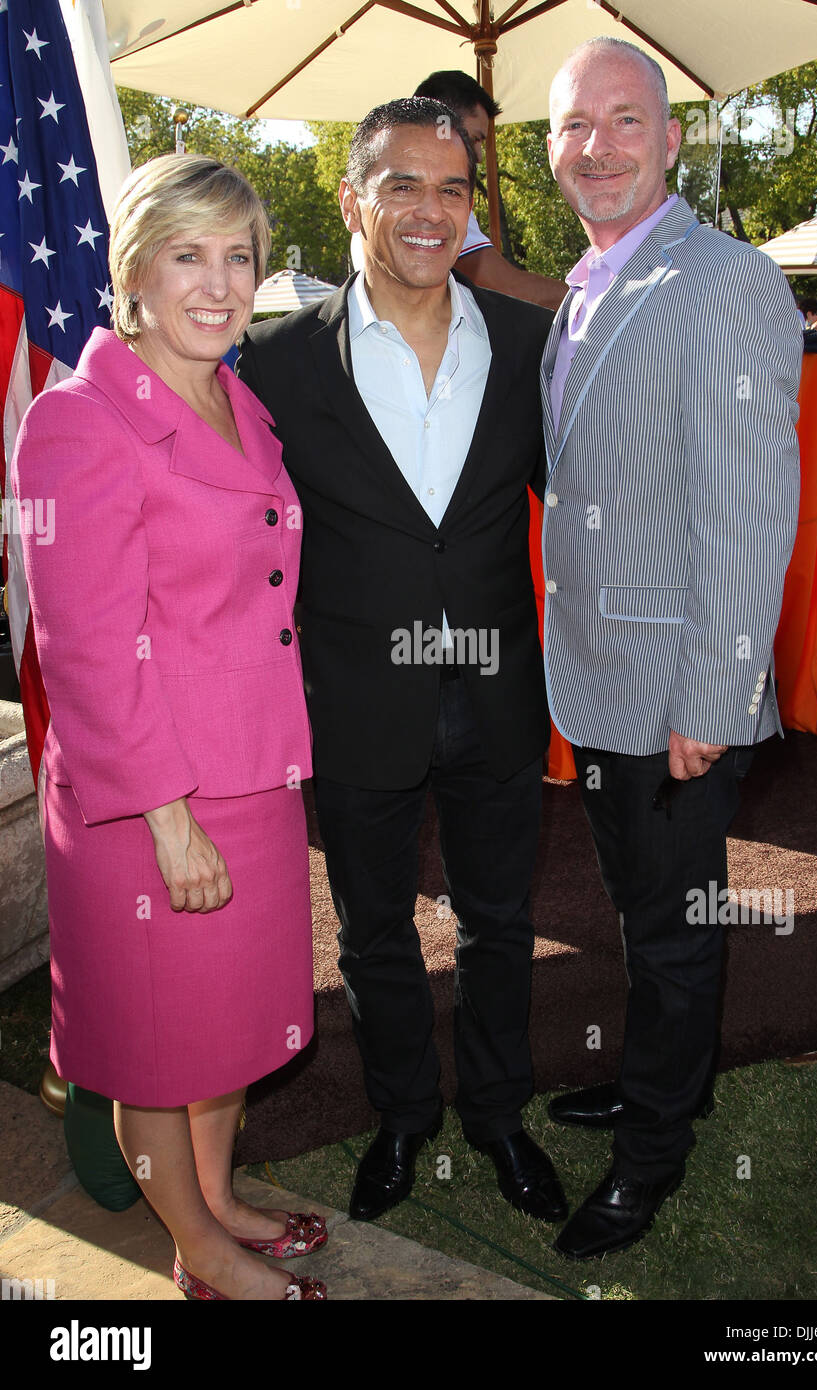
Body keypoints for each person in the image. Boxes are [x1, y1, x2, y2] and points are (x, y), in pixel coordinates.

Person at [238, 97, 567, 1226]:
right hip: (353, 703)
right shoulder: (275, 363)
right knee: (373, 928)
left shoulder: (527, 346)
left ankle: (497, 1114)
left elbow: (581, 510)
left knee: (497, 921)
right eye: (403, 186)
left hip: (496, 692)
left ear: (472, 208)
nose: (431, 211)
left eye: (453, 188)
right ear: (353, 200)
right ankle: (402, 1114)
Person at [11, 155, 326, 1301]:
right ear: (132, 274)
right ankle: (197, 1248)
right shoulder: (79, 419)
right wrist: (167, 816)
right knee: (156, 1044)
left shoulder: (237, 399)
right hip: (147, 799)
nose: (219, 281)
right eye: (188, 254)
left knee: (225, 1031)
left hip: (251, 776)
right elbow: (84, 648)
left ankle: (221, 1198)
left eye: (238, 256)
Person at [541, 38, 801, 1259]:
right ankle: (664, 1080)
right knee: (649, 916)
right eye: (570, 126)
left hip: (674, 695)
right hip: (600, 682)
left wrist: (712, 696)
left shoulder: (724, 279)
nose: (594, 145)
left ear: (672, 137)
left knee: (680, 929)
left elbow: (751, 510)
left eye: (621, 119)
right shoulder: (592, 278)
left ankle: (652, 1151)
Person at [351, 71, 566, 311]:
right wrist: (589, 298)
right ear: (441, 121)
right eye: (473, 138)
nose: (479, 155)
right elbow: (509, 289)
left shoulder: (377, 202)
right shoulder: (440, 210)